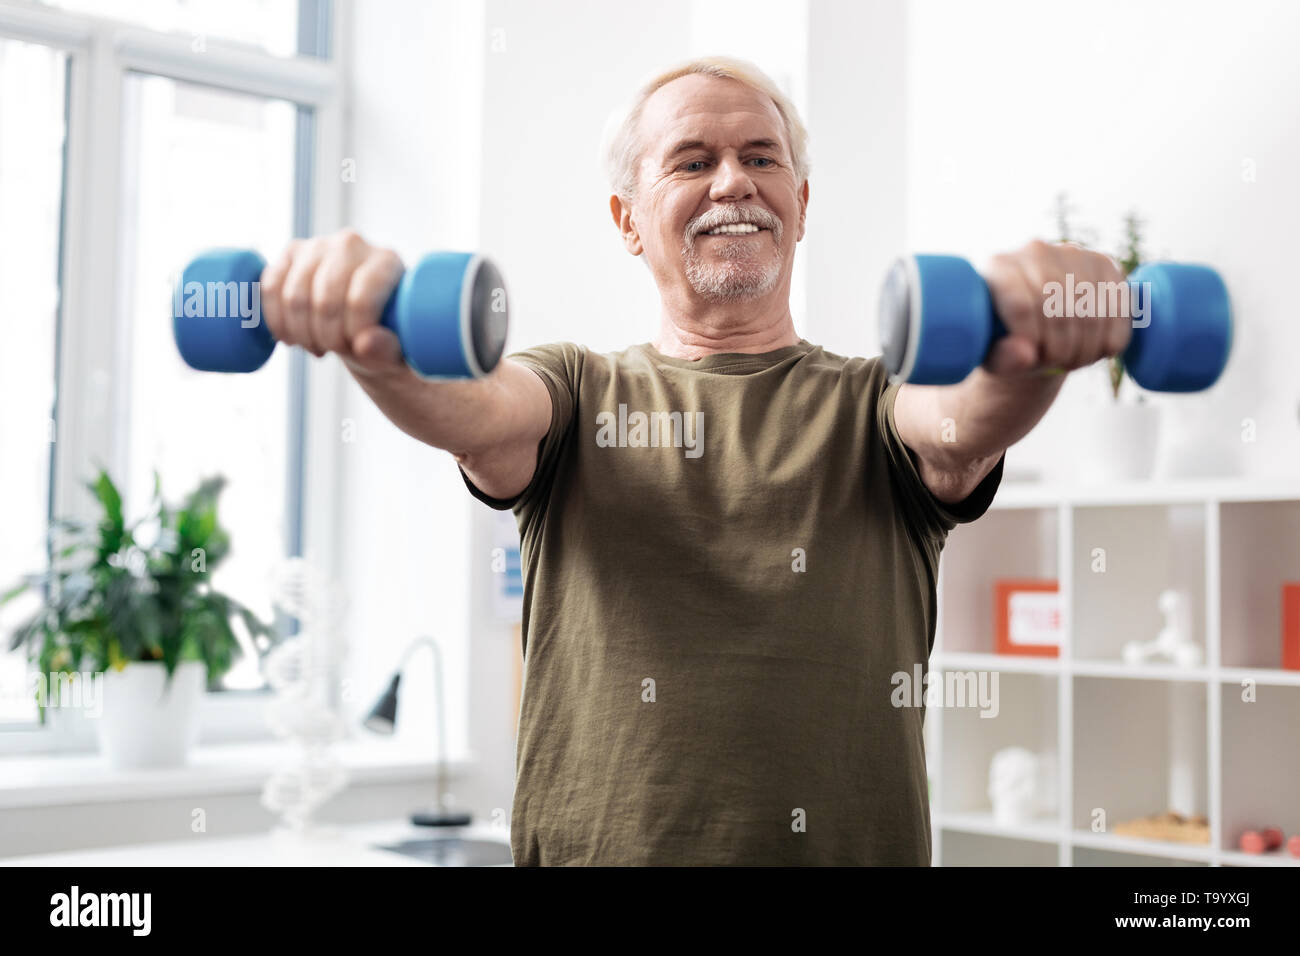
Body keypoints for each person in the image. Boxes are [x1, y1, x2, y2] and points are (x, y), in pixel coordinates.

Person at [257, 56, 1131, 865]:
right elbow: (476, 413)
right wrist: (378, 347)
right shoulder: (577, 390)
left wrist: (1033, 350)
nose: (733, 182)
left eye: (762, 156)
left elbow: (962, 426)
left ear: (801, 201)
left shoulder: (876, 404)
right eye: (690, 161)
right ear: (627, 219)